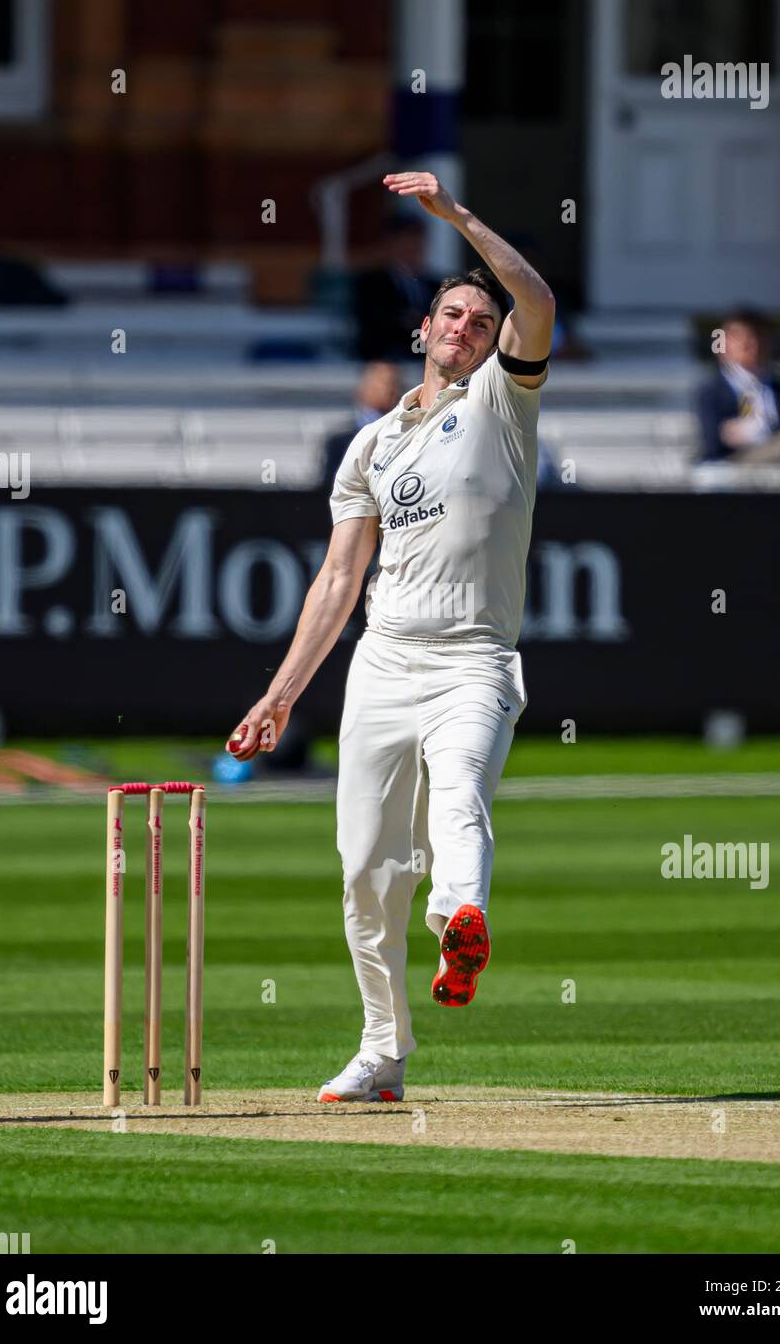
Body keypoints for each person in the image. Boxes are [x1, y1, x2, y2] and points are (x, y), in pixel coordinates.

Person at [227, 169, 554, 1103]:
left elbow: (534, 295)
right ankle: (382, 1053)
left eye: (479, 324)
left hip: (475, 661)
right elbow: (338, 579)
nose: (464, 329)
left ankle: (462, 920)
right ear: (422, 330)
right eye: (452, 316)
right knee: (366, 873)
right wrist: (280, 693)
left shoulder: (503, 404)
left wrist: (454, 216)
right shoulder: (372, 445)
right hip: (384, 661)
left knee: (459, 792)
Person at [696, 309, 780, 465]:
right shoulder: (711, 391)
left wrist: (758, 432)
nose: (749, 343)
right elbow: (713, 443)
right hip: (736, 463)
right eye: (738, 337)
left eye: (756, 336)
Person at [352, 215, 437, 361]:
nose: (413, 247)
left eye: (417, 240)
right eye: (406, 240)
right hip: (385, 362)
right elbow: (375, 323)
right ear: (391, 244)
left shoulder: (435, 284)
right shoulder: (373, 283)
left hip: (425, 362)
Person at [320, 361, 404, 491]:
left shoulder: (411, 435)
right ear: (363, 389)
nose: (391, 389)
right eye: (384, 383)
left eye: (395, 384)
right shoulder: (340, 442)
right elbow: (329, 489)